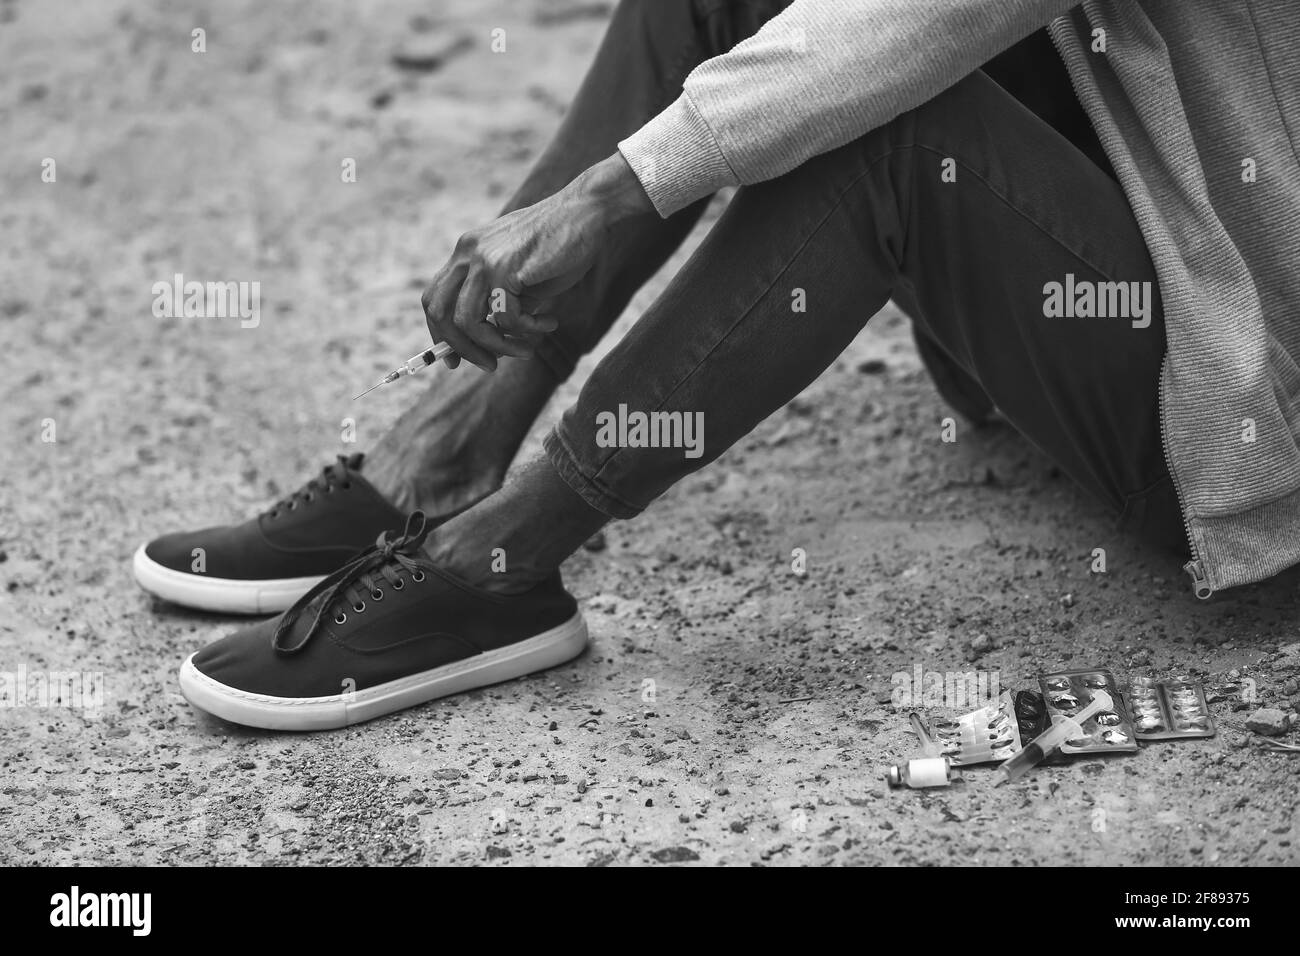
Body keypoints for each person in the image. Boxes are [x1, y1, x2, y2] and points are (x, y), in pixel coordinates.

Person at [133, 0, 1300, 730]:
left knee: (893, 141)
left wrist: (616, 186)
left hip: (1242, 389)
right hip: (1128, 230)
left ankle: (497, 564)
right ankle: (445, 445)